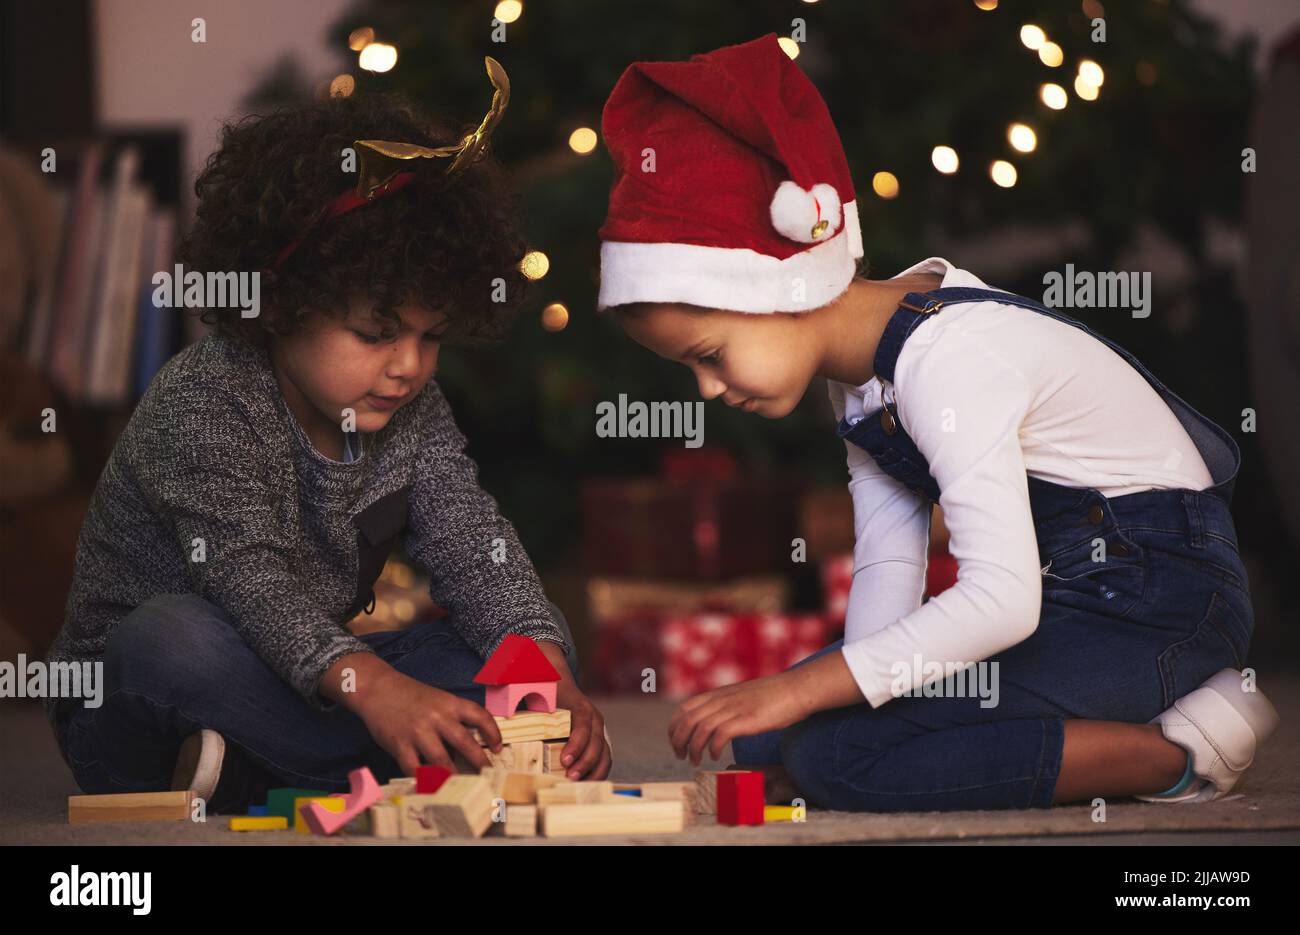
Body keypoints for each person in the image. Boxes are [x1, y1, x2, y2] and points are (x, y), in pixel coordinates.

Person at [596, 34, 1278, 811]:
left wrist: (814, 693)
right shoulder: (857, 381)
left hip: (1161, 605)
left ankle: (1177, 751)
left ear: (780, 288)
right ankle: (886, 754)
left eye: (710, 353)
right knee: (767, 735)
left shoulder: (949, 359)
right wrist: (813, 698)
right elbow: (892, 572)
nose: (709, 390)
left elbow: (1003, 600)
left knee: (835, 749)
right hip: (1067, 599)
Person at [45, 71, 610, 814]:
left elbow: (475, 546)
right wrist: (376, 690)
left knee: (473, 658)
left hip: (302, 680)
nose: (408, 364)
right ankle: (373, 757)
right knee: (169, 636)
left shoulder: (413, 409)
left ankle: (283, 766)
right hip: (149, 698)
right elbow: (253, 583)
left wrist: (545, 676)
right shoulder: (205, 397)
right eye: (376, 334)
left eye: (430, 336)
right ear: (282, 303)